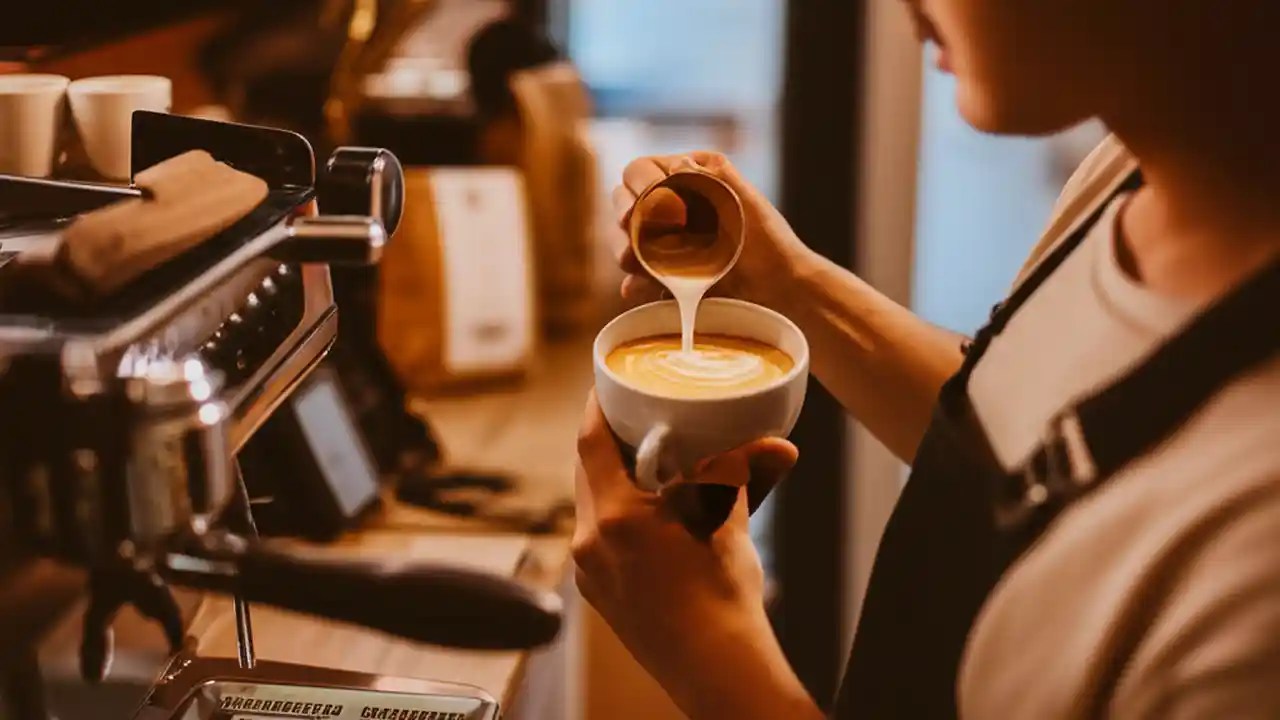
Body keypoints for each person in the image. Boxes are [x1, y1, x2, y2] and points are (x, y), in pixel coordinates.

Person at [573, 0, 1280, 718]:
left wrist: (711, 658)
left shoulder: (1258, 579)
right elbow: (1033, 438)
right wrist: (788, 285)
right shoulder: (1136, 171)